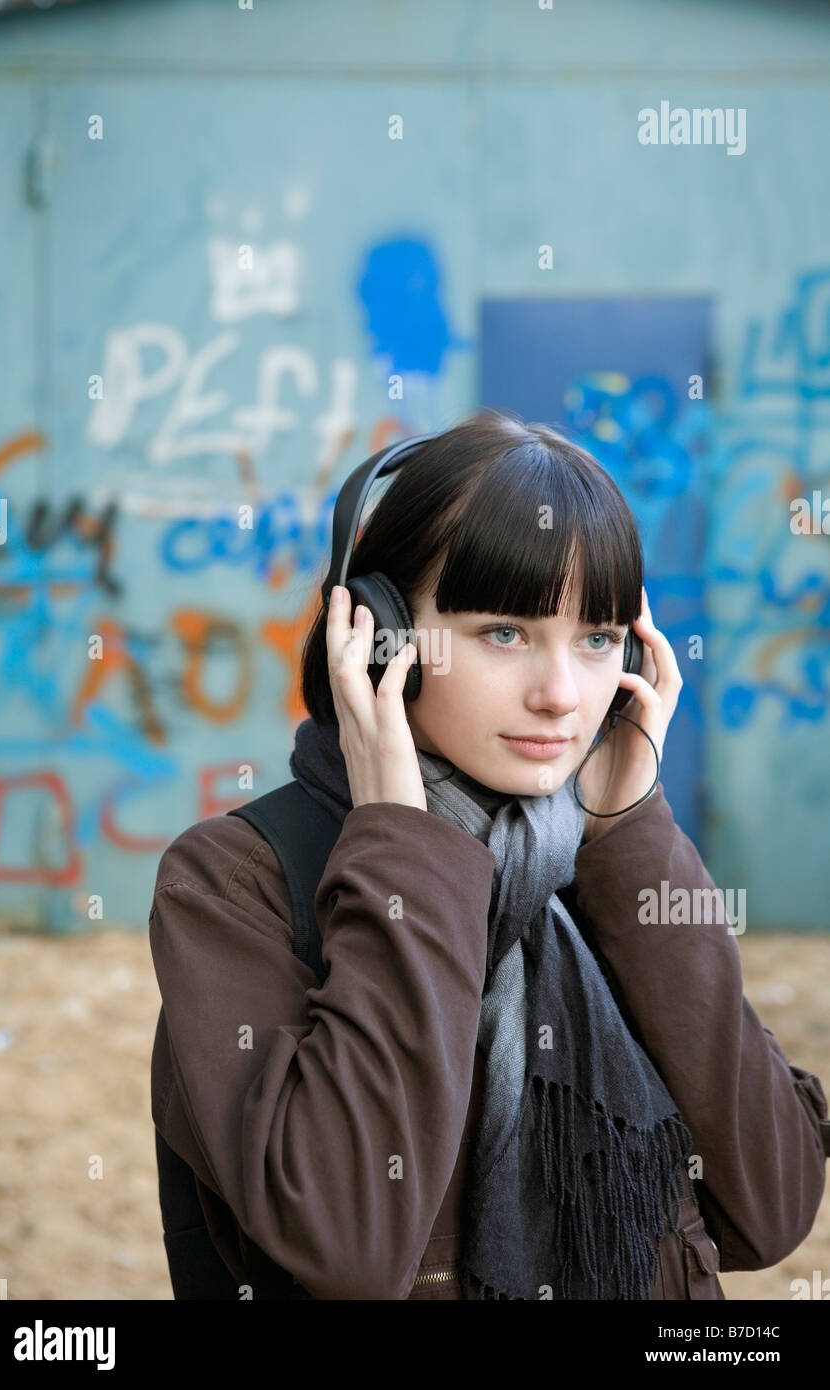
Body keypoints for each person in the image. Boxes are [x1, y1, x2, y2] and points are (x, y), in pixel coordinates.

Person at [148, 409, 828, 1300]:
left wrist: (634, 833)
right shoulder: (237, 885)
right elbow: (350, 1240)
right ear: (380, 636)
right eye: (504, 634)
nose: (561, 695)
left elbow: (770, 1203)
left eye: (596, 639)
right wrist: (404, 849)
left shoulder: (608, 860)